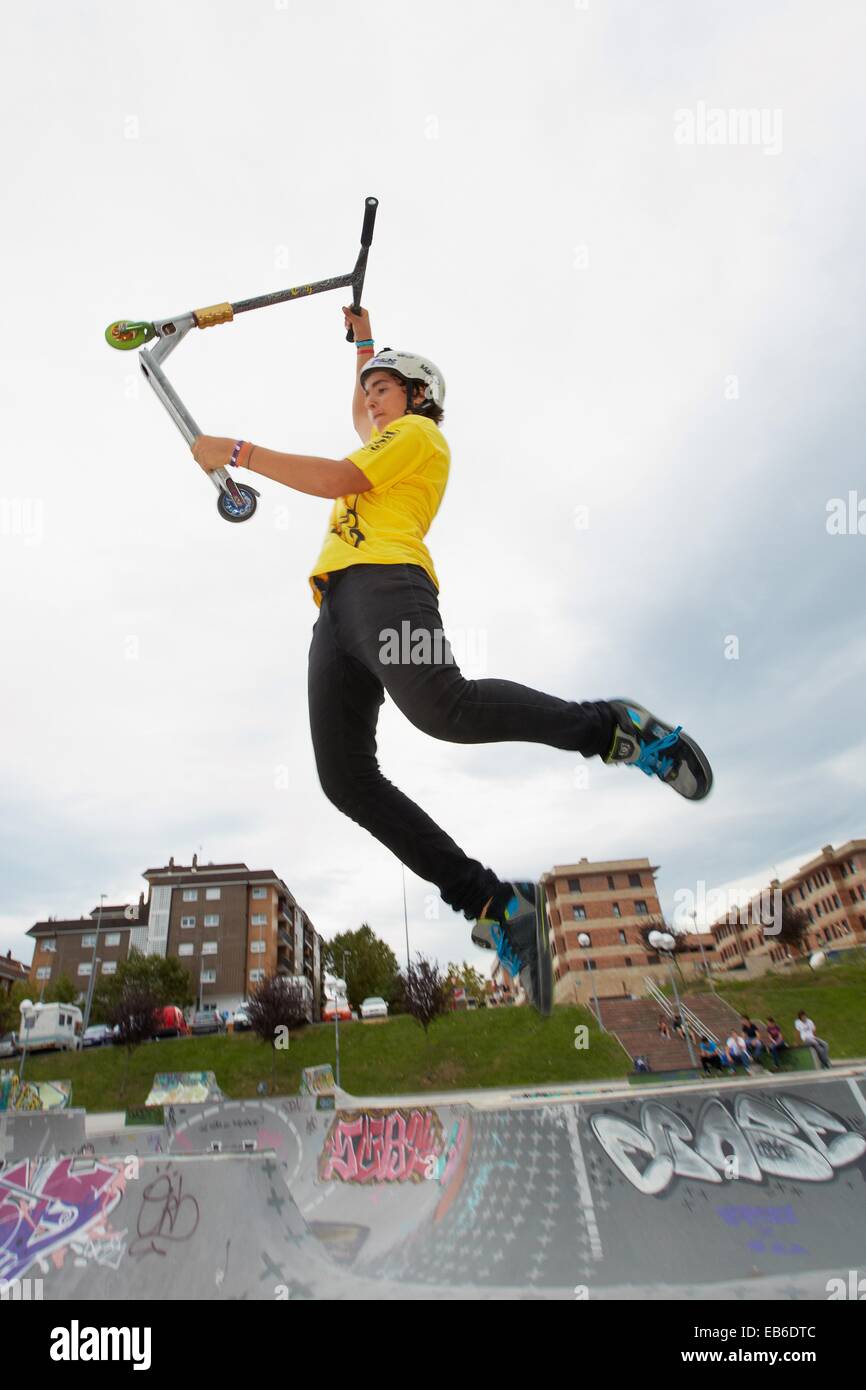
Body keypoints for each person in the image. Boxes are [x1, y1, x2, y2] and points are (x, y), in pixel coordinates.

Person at [190, 308, 714, 1016]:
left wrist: (240, 450)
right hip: (336, 613)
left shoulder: (417, 437)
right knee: (345, 781)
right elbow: (357, 413)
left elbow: (340, 475)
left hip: (386, 585)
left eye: (384, 391)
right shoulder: (385, 428)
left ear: (417, 397)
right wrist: (364, 342)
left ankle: (617, 729)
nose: (370, 401)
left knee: (447, 709)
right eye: (368, 393)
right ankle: (496, 906)